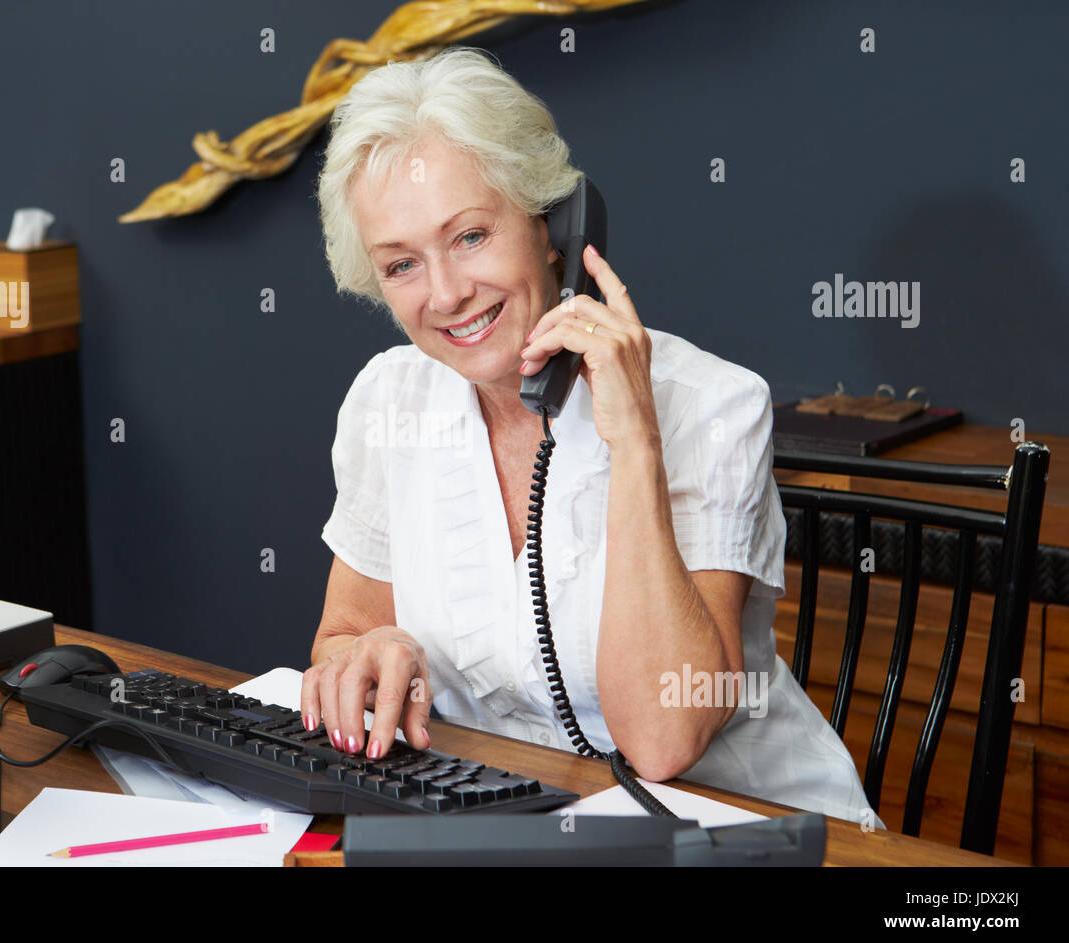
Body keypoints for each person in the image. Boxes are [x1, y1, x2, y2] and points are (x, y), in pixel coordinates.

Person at [302, 46, 877, 825]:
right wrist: (365, 660)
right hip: (520, 825)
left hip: (743, 831)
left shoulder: (710, 405)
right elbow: (345, 633)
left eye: (471, 236)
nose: (445, 294)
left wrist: (635, 442)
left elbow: (662, 743)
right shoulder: (388, 398)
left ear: (551, 223)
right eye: (401, 265)